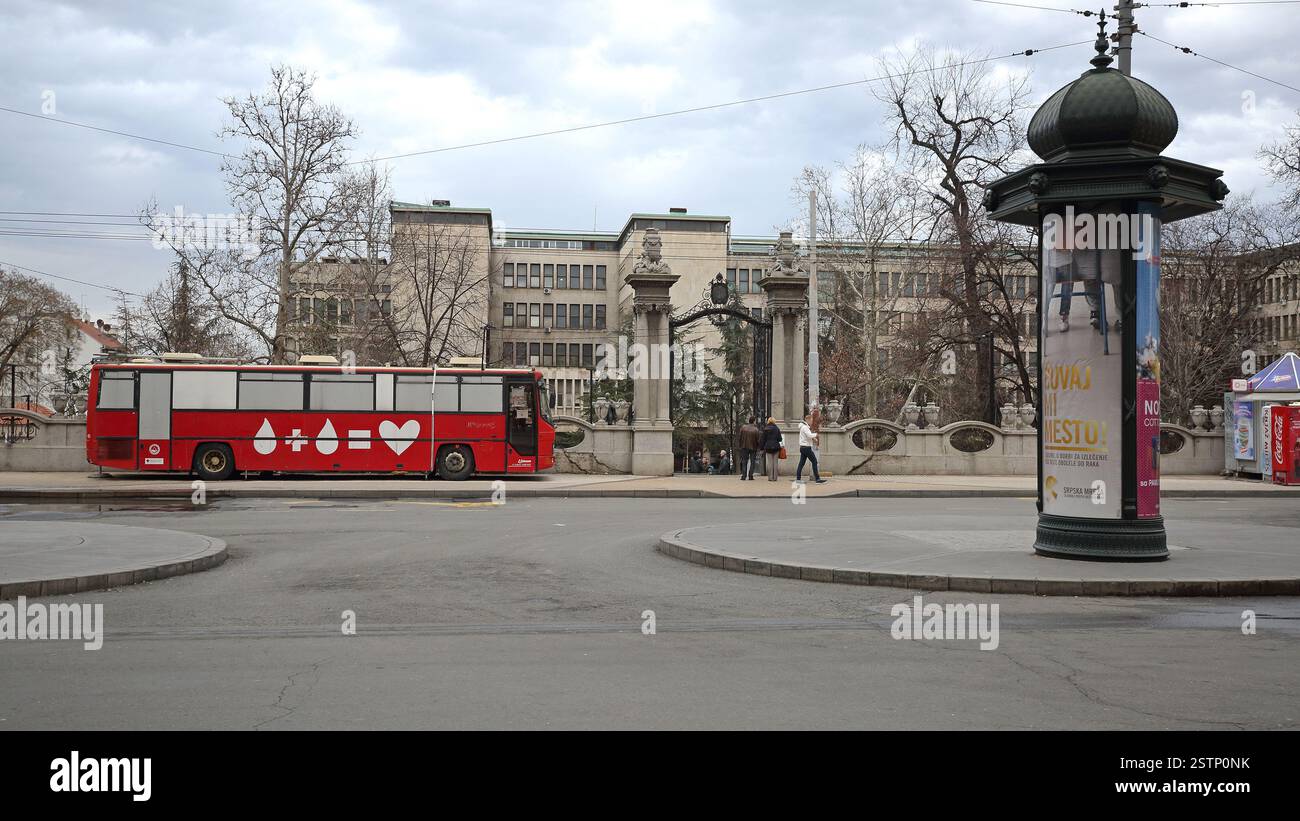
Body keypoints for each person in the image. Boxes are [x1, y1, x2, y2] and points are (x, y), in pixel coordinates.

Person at [796, 411, 827, 484]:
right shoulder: (805, 427)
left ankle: (798, 479)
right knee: (814, 461)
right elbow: (809, 435)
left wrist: (814, 438)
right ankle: (817, 479)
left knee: (801, 463)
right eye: (811, 420)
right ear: (808, 420)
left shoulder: (804, 427)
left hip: (803, 447)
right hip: (806, 448)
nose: (811, 422)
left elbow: (808, 436)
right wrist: (816, 435)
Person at [760, 416, 784, 482]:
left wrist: (761, 448)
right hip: (776, 447)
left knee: (770, 462)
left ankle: (770, 477)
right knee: (775, 462)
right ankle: (775, 477)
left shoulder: (765, 429)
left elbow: (763, 439)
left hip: (768, 447)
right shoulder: (777, 428)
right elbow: (780, 439)